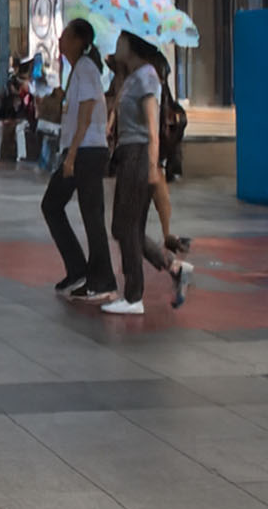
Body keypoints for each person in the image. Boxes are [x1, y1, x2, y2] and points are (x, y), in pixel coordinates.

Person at [102, 32, 194, 315]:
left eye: (120, 42)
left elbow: (152, 125)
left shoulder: (147, 77)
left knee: (125, 227)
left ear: (132, 45)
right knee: (126, 227)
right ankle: (174, 267)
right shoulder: (131, 77)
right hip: (129, 153)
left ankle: (133, 296)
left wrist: (153, 165)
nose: (116, 46)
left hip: (139, 154)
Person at [40, 19, 117, 302]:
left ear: (77, 40)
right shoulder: (79, 70)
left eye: (64, 36)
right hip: (81, 150)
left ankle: (102, 279)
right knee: (56, 205)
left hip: (86, 152)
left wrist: (71, 155)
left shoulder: (85, 68)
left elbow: (87, 111)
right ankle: (79, 270)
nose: (59, 41)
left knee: (89, 214)